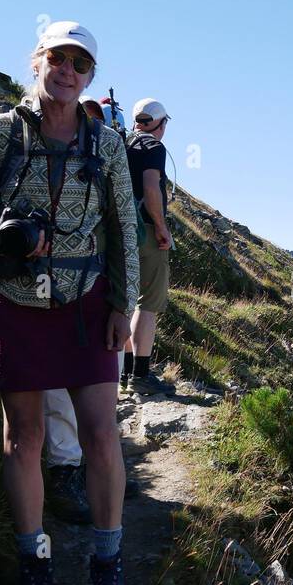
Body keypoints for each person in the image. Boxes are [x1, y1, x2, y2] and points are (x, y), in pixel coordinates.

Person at [0, 21, 138, 585]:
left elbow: (124, 226)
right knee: (24, 438)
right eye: (57, 58)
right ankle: (35, 568)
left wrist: (124, 305)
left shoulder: (105, 144)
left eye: (80, 64)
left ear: (90, 77)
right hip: (14, 300)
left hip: (87, 304)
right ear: (37, 62)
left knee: (102, 434)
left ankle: (107, 566)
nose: (67, 71)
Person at [40, 92, 120, 524]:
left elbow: (123, 228)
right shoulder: (45, 151)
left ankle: (99, 467)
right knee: (57, 388)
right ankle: (65, 470)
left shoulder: (107, 159)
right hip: (53, 287)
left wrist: (122, 301)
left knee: (101, 388)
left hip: (98, 289)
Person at [124, 97, 174, 397]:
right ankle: (140, 375)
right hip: (144, 230)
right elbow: (151, 187)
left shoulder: (121, 142)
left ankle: (122, 370)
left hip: (117, 231)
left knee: (124, 299)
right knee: (148, 302)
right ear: (161, 123)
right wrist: (160, 226)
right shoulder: (153, 147)